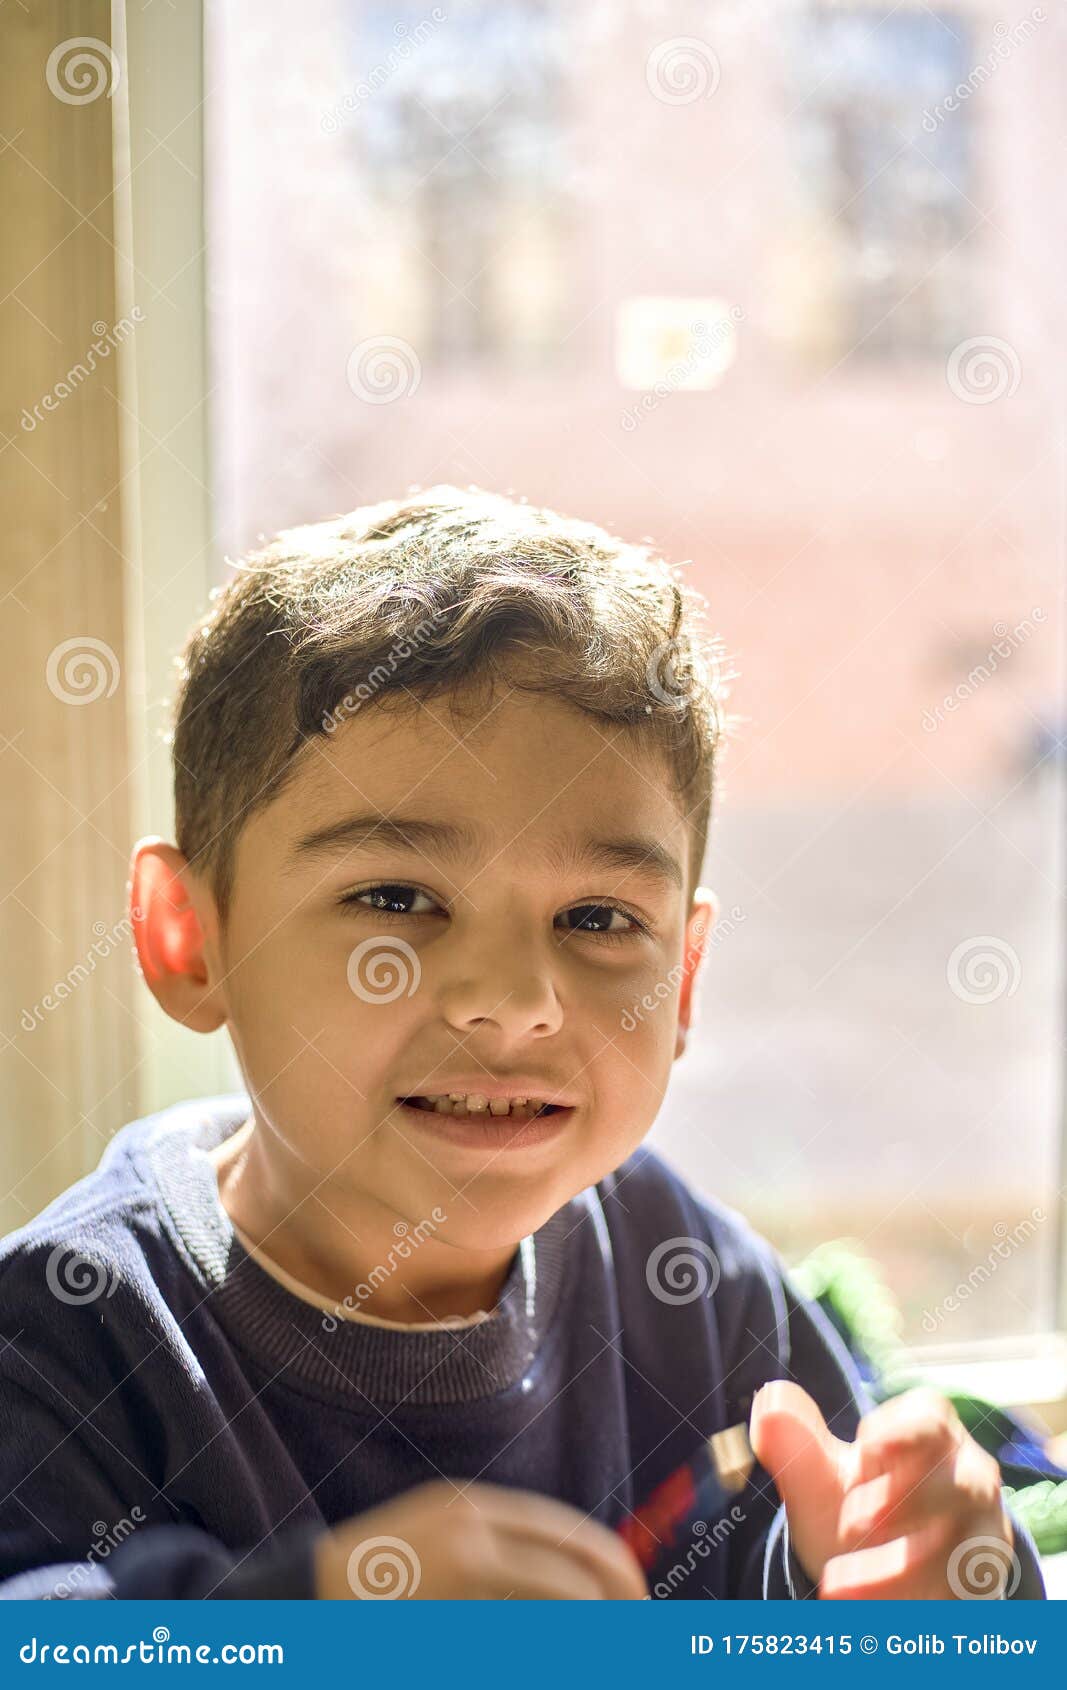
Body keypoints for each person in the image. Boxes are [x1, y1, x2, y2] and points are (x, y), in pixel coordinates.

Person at [0, 487, 1044, 1600]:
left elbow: (830, 1582)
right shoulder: (72, 1331)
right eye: (396, 895)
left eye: (597, 919)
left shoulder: (690, 1285)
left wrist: (931, 1575)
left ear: (681, 979)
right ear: (189, 937)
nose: (512, 1001)